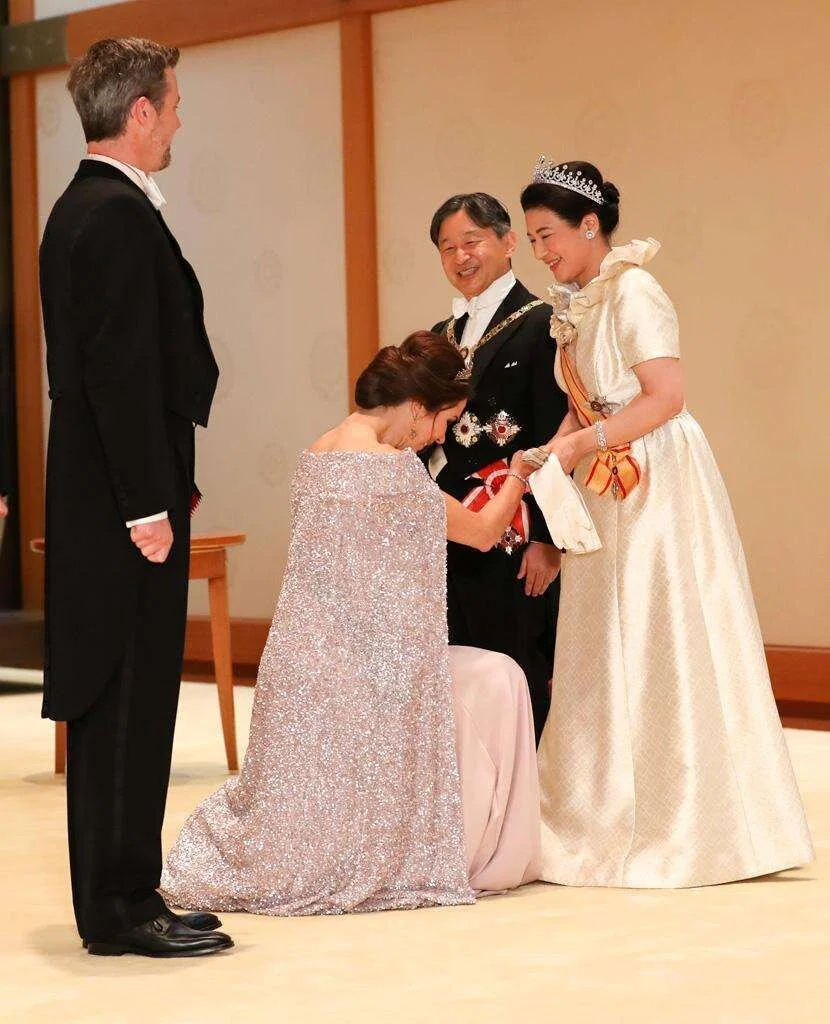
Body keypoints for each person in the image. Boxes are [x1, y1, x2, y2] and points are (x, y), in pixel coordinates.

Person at [162, 332, 541, 915]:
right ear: (417, 407)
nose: (441, 436)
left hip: (300, 671)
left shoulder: (317, 452)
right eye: (444, 421)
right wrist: (519, 473)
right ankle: (482, 843)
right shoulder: (394, 472)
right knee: (500, 675)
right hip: (371, 677)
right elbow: (486, 532)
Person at [522, 158, 814, 888]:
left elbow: (665, 396)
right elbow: (589, 402)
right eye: (533, 240)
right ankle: (600, 806)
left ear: (591, 226)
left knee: (658, 629)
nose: (544, 251)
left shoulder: (636, 289)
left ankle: (681, 815)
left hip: (652, 477)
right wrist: (555, 449)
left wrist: (581, 444)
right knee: (599, 639)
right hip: (603, 471)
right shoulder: (579, 300)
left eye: (549, 234)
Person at [39, 38, 231, 956]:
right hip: (122, 502)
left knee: (134, 697)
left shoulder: (88, 205)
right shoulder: (111, 213)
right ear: (141, 111)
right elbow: (116, 373)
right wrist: (147, 504)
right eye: (176, 103)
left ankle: (130, 892)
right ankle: (119, 909)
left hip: (110, 490)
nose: (181, 119)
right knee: (126, 698)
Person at [426, 193, 568, 740]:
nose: (461, 257)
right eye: (447, 248)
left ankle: (521, 802)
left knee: (516, 664)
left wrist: (548, 539)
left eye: (472, 242)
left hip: (515, 534)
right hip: (445, 528)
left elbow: (558, 435)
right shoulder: (440, 334)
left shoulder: (543, 324)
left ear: (509, 243)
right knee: (456, 663)